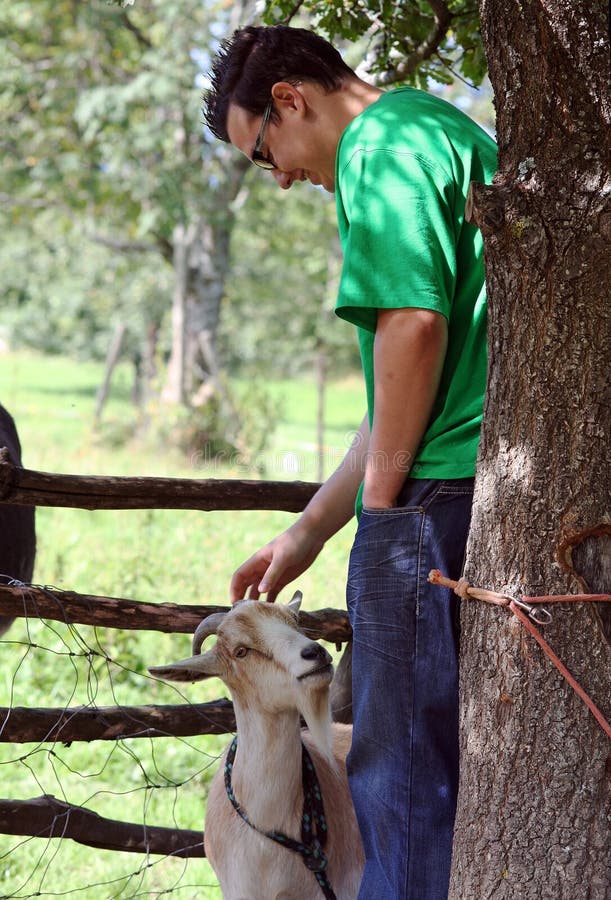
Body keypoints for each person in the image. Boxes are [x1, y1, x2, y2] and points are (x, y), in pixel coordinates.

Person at [203, 24, 497, 900]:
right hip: (458, 478)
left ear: (289, 101)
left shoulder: (379, 150)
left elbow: (411, 324)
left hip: (433, 498)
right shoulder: (436, 128)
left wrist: (382, 513)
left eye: (264, 155)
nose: (283, 177)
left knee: (398, 785)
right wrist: (308, 534)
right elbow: (395, 396)